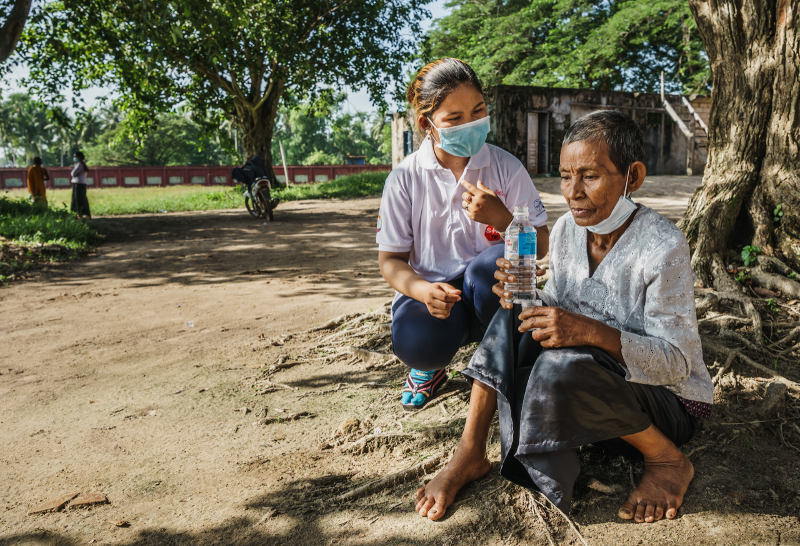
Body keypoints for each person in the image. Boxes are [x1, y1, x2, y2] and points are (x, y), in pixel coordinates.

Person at [414, 110, 713, 523]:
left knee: (562, 366)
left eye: (590, 176)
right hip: (591, 404)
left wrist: (588, 331)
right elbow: (561, 301)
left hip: (664, 409)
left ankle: (667, 461)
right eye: (565, 176)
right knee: (514, 313)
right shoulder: (567, 231)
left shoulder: (663, 246)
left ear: (633, 176)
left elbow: (676, 364)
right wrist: (528, 296)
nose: (573, 192)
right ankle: (470, 452)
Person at [377, 58, 550, 410]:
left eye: (478, 111)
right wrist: (423, 291)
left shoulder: (506, 167)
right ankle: (430, 367)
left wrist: (504, 220)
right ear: (427, 124)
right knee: (418, 343)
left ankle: (498, 360)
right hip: (435, 297)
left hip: (490, 291)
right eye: (455, 118)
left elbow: (542, 244)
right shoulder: (404, 179)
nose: (470, 124)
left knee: (491, 265)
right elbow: (391, 261)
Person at [70, 151, 91, 219]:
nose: (74, 158)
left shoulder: (79, 165)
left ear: (80, 157)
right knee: (82, 198)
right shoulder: (82, 164)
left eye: (75, 156)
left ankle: (80, 214)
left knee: (78, 199)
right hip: (81, 183)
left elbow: (73, 173)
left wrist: (72, 173)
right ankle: (84, 214)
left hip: (78, 183)